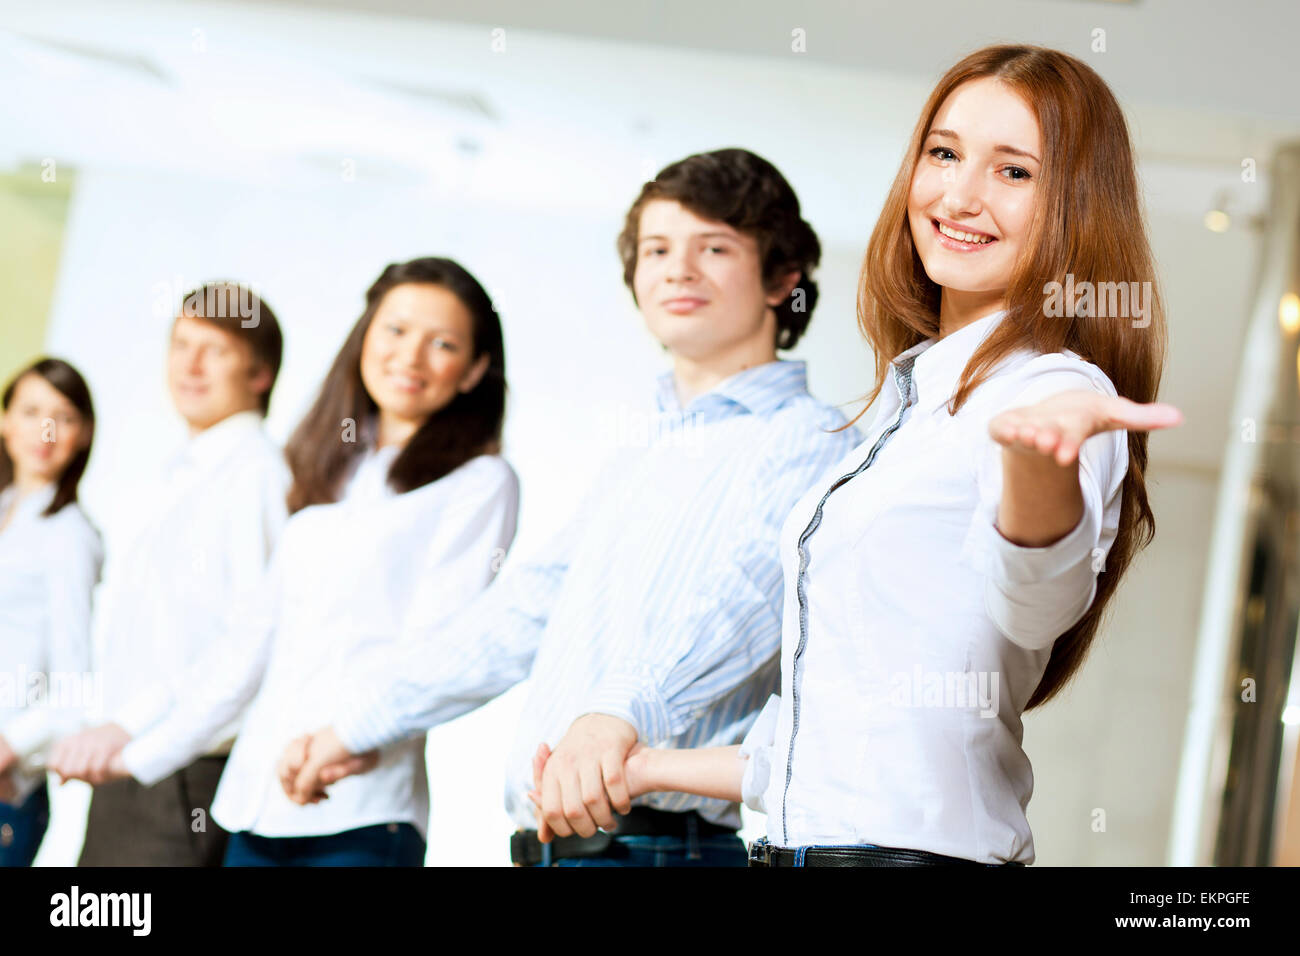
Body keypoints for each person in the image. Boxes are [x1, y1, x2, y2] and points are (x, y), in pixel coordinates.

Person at [530, 45, 1183, 866]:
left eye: (1014, 172)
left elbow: (1038, 603)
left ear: (1076, 205)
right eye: (944, 154)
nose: (960, 194)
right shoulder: (907, 409)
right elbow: (833, 742)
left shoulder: (1048, 392)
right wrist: (636, 765)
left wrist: (1038, 468)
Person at [280, 149, 863, 867]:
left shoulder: (810, 440)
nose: (678, 269)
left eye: (714, 247)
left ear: (782, 280)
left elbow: (737, 602)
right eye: (657, 249)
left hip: (657, 848)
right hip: (554, 847)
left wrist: (619, 715)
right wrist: (358, 724)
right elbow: (523, 611)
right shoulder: (642, 453)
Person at [54, 257, 518, 867]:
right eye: (396, 331)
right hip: (255, 805)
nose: (410, 356)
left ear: (474, 370)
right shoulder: (327, 469)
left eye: (444, 343)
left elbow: (439, 649)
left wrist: (350, 737)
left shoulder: (479, 483)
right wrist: (139, 748)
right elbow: (248, 644)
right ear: (365, 338)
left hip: (361, 811)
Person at [49, 282, 290, 866]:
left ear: (260, 374)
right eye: (181, 343)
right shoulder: (181, 474)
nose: (191, 363)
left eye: (216, 349)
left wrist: (125, 728)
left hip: (180, 779)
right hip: (130, 766)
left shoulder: (256, 474)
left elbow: (249, 640)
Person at [0, 358, 103, 867]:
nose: (45, 430)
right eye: (31, 410)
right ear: (5, 421)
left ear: (83, 434)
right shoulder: (6, 511)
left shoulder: (69, 537)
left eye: (63, 416)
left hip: (7, 793)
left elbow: (74, 688)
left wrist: (8, 745)